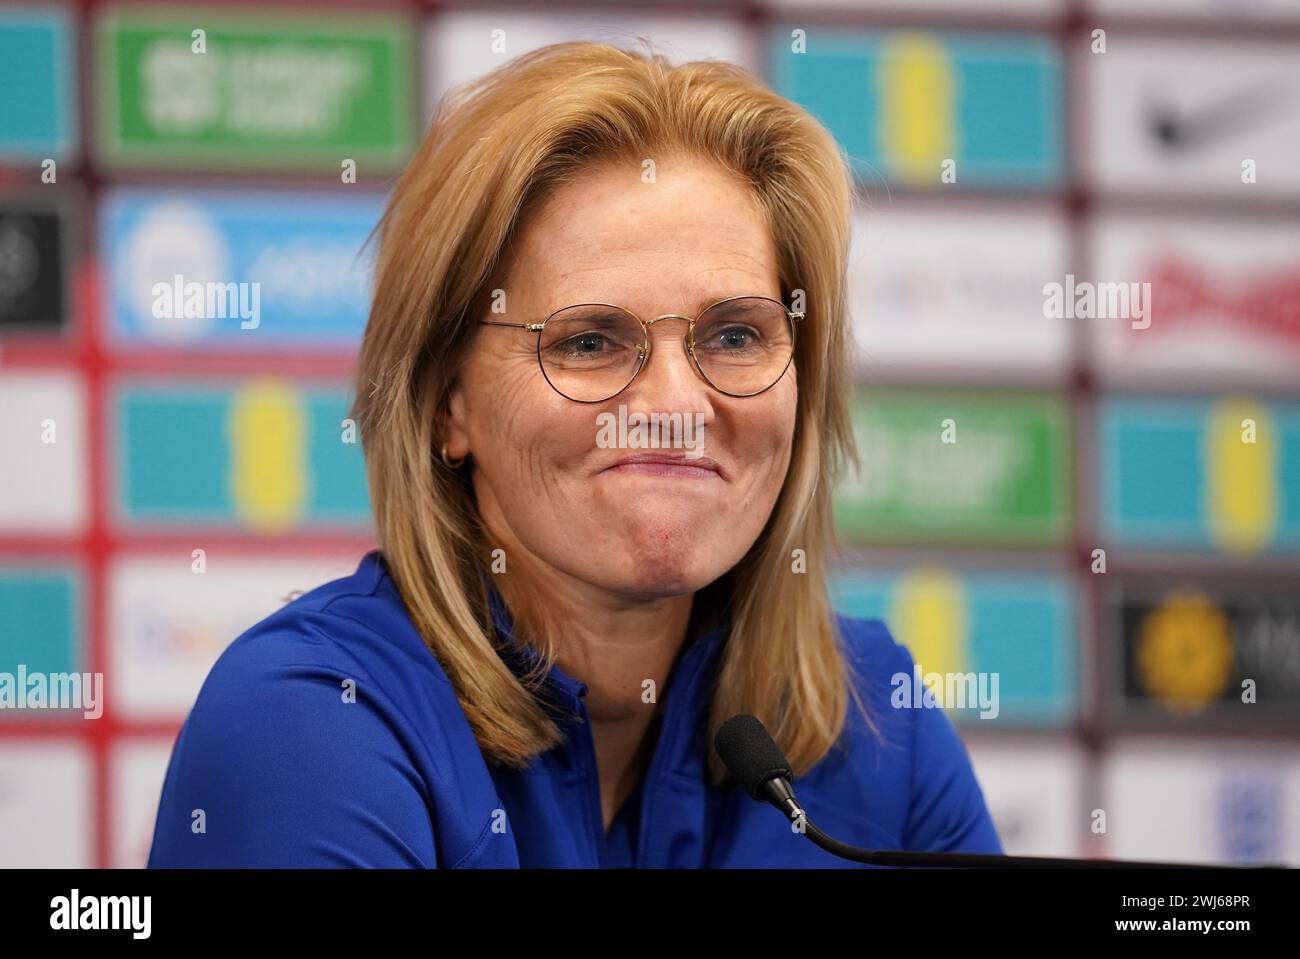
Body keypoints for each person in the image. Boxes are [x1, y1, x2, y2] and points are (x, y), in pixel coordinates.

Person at [147, 40, 1002, 868]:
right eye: (590, 341)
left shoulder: (878, 719)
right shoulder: (308, 723)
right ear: (449, 404)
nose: (674, 405)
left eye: (736, 333)